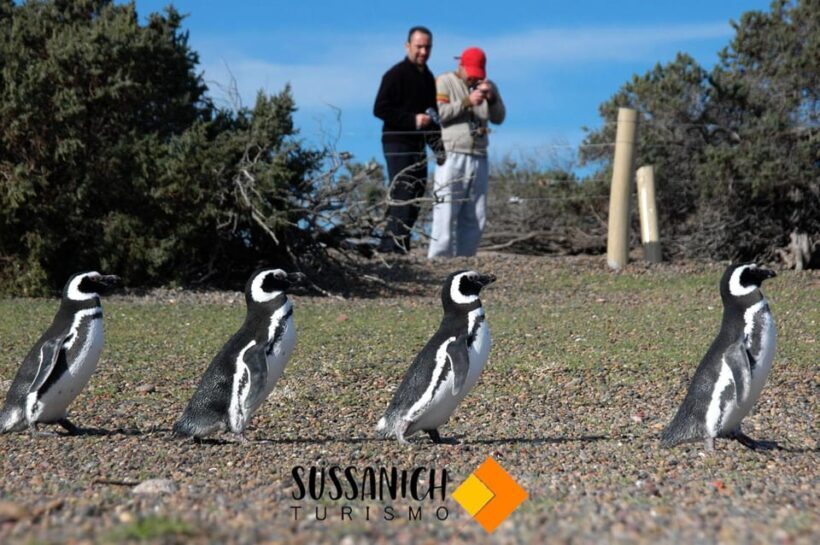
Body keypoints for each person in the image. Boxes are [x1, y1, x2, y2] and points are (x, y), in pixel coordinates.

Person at [427, 47, 505, 258]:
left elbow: (499, 118)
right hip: (452, 153)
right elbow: (439, 113)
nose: (473, 78)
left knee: (476, 213)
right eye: (470, 72)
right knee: (445, 209)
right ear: (460, 66)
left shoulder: (488, 86)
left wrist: (492, 98)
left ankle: (466, 258)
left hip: (479, 155)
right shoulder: (444, 81)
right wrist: (466, 102)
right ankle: (438, 258)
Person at [373, 26, 443, 254]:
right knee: (403, 192)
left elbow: (432, 115)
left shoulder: (428, 78)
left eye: (427, 47)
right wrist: (412, 120)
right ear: (408, 46)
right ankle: (392, 247)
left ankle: (396, 246)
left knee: (417, 193)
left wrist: (438, 148)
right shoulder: (395, 74)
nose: (423, 51)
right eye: (419, 46)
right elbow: (380, 108)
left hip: (418, 145)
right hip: (396, 142)